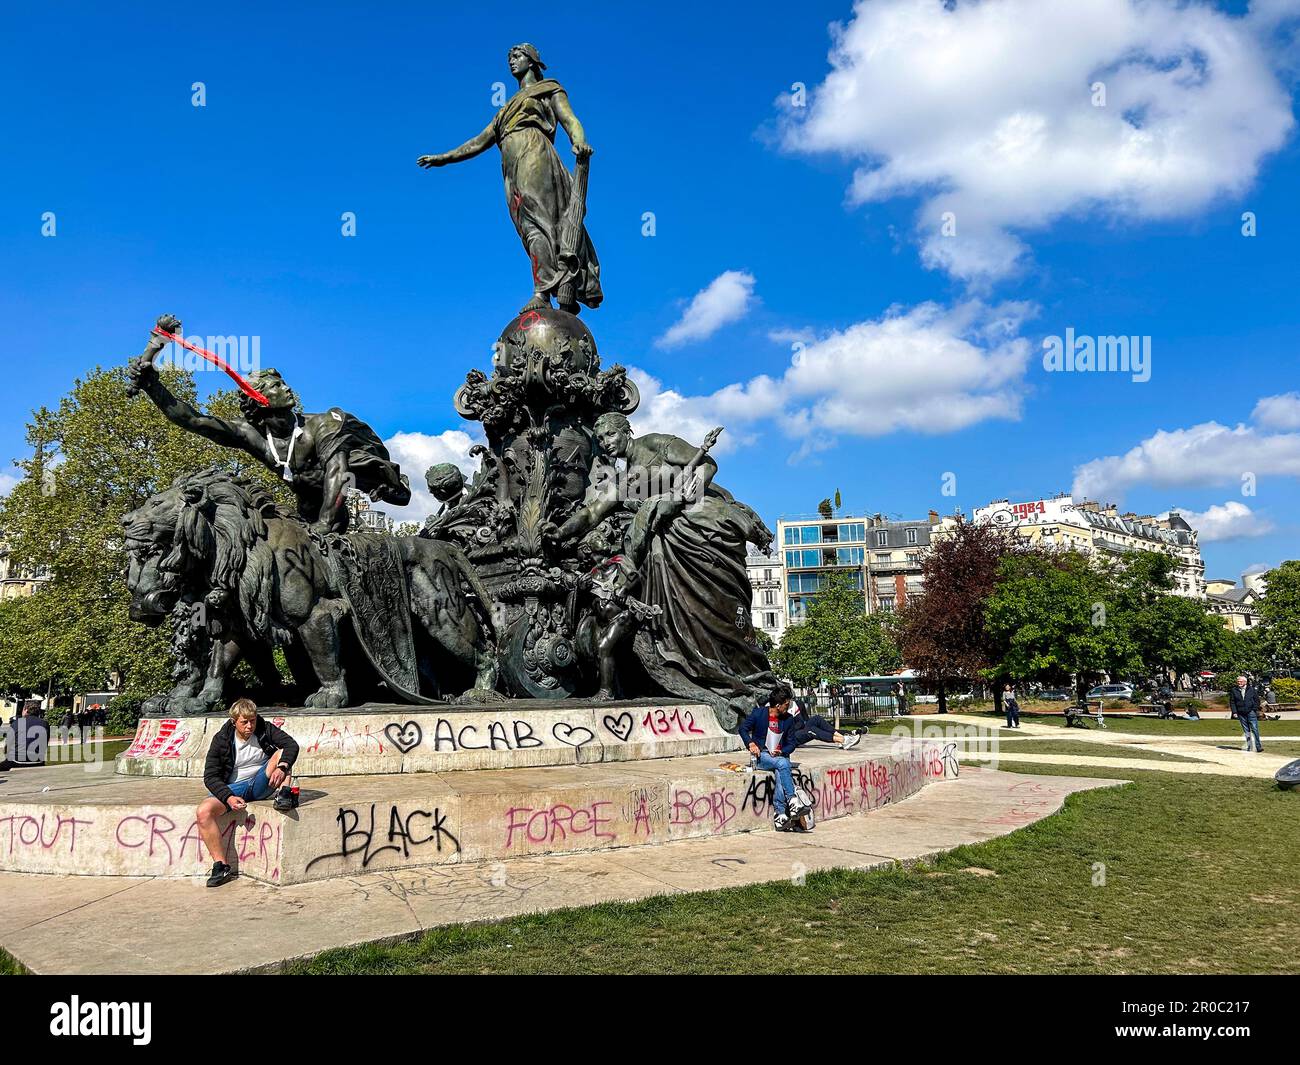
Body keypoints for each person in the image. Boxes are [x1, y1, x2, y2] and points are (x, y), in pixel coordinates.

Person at [128, 317, 411, 534]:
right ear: (261, 401)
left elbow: (337, 475)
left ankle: (389, 483)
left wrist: (324, 527)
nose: (287, 388)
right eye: (277, 385)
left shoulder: (323, 425)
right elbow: (192, 420)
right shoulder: (252, 435)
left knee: (394, 497)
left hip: (335, 501)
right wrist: (152, 386)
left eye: (284, 382)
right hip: (309, 508)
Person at [418, 43, 602, 315]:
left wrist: (580, 141)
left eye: (517, 56)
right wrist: (443, 157)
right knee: (528, 226)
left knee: (539, 220)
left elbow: (570, 119)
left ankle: (544, 290)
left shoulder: (549, 89)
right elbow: (478, 142)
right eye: (509, 58)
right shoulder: (505, 110)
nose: (511, 62)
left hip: (535, 154)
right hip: (510, 168)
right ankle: (548, 285)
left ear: (533, 61)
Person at [196, 699, 300, 888]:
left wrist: (282, 767)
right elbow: (210, 776)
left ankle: (284, 795)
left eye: (252, 720)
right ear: (233, 721)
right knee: (203, 812)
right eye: (244, 722)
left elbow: (291, 745)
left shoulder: (264, 728)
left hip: (262, 782)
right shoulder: (221, 739)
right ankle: (221, 866)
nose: (250, 726)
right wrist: (227, 797)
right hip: (234, 788)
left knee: (283, 754)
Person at [737, 684, 808, 831]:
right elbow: (742, 728)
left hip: (779, 756)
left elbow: (792, 743)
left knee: (782, 767)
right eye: (787, 704)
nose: (789, 707)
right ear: (778, 705)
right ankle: (792, 801)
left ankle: (780, 815)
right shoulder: (759, 714)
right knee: (783, 765)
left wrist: (781, 751)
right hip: (761, 756)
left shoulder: (788, 719)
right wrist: (750, 743)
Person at [783, 697, 862, 752]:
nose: (788, 703)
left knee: (817, 719)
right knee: (810, 730)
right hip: (789, 738)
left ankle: (842, 736)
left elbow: (801, 721)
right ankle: (843, 740)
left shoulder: (793, 704)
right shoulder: (777, 710)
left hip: (797, 729)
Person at [1229, 675, 1264, 753]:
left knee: (1255, 729)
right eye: (1238, 681)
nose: (1239, 683)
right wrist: (1234, 712)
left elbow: (1257, 700)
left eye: (1240, 681)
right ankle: (1249, 746)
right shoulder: (1234, 690)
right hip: (1241, 713)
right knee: (1246, 731)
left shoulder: (1251, 689)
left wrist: (1254, 709)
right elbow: (1232, 702)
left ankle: (1258, 746)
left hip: (1251, 712)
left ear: (1245, 682)